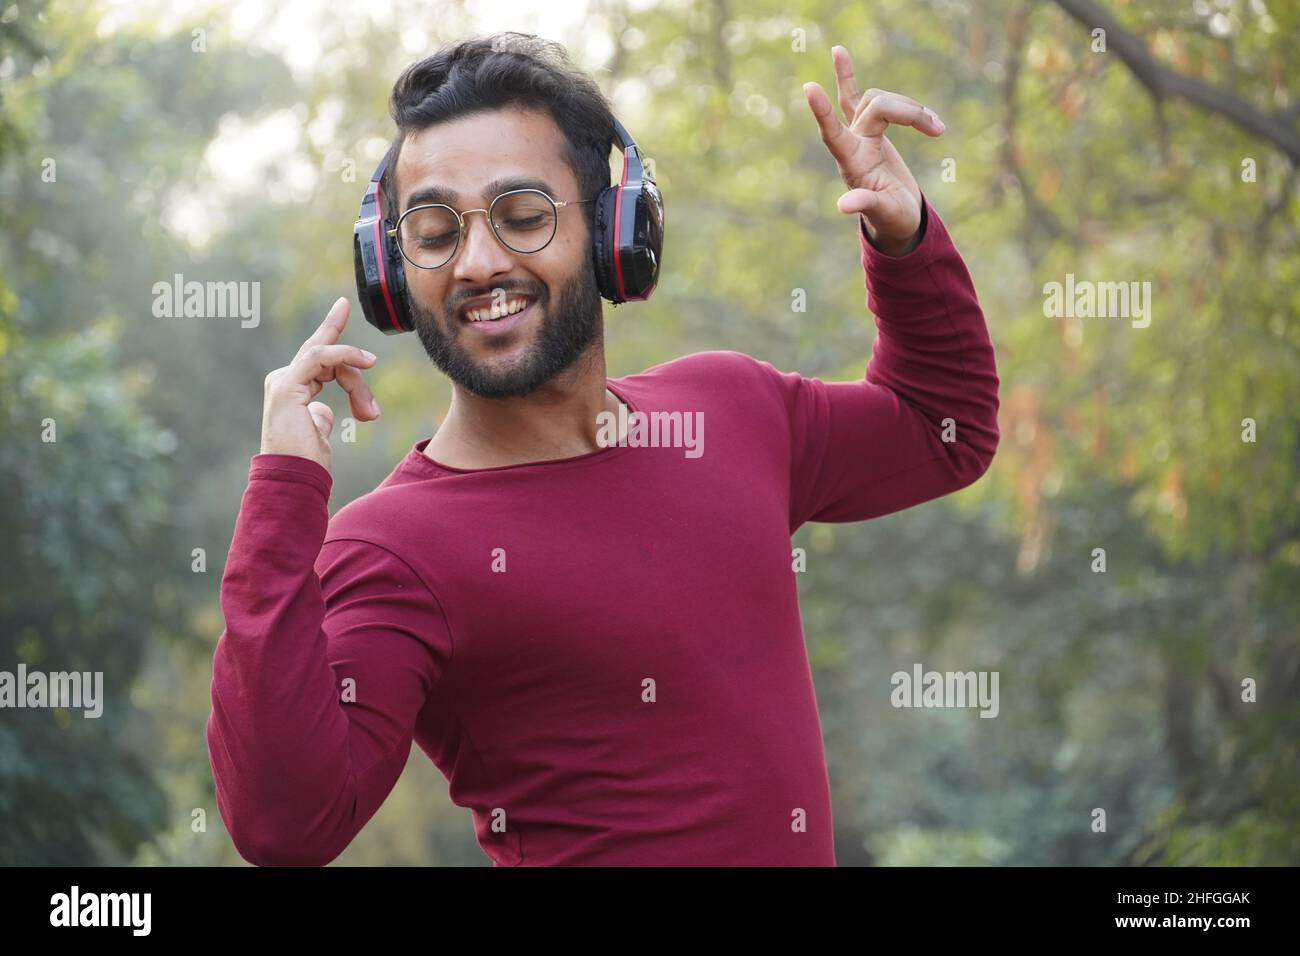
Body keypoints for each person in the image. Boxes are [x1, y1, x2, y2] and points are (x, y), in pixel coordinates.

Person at [206, 33, 1000, 866]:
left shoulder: (733, 410)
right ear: (392, 270)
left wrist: (904, 240)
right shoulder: (389, 551)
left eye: (522, 217)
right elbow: (282, 826)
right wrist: (282, 490)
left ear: (618, 229)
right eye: (435, 233)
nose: (479, 263)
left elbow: (943, 427)